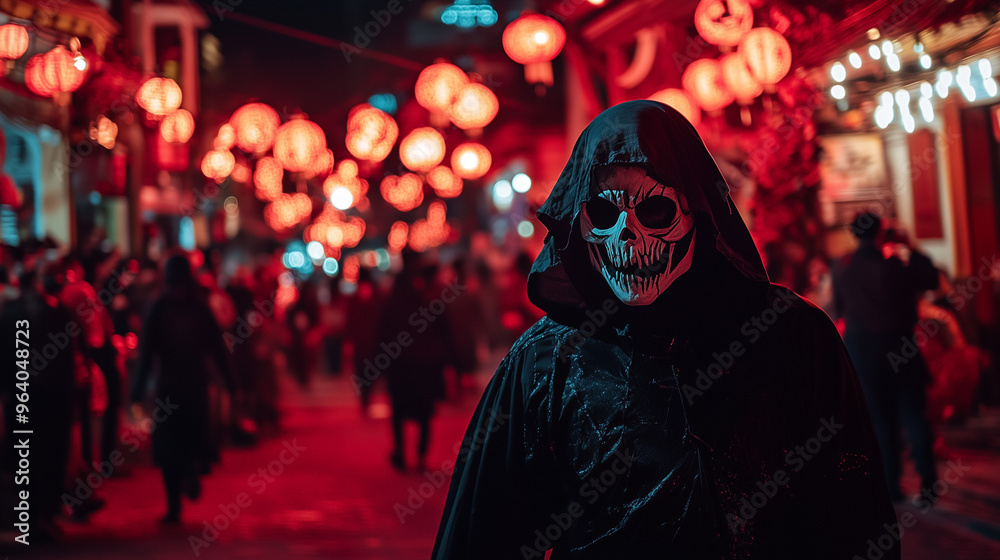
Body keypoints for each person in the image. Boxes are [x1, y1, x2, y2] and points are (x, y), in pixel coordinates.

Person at [432, 101, 897, 559]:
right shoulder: (547, 361)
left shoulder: (792, 336)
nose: (628, 236)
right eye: (604, 215)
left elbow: (853, 512)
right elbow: (483, 530)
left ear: (697, 214)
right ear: (580, 224)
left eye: (656, 212)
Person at [832, 213, 940, 505]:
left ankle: (891, 489)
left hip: (863, 354)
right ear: (880, 232)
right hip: (900, 348)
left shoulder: (843, 268)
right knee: (914, 417)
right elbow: (931, 279)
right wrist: (909, 245)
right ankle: (928, 486)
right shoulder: (895, 266)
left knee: (880, 422)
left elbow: (838, 309)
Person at [130, 255, 235, 524]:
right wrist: (230, 382)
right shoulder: (198, 308)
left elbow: (146, 353)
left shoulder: (160, 308)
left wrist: (138, 390)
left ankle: (175, 501)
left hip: (169, 388)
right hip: (192, 386)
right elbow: (218, 349)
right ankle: (189, 475)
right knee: (190, 440)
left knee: (169, 449)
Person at [378, 252, 450, 472]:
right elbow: (444, 333)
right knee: (424, 414)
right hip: (424, 366)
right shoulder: (428, 301)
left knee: (399, 413)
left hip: (401, 365)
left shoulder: (393, 303)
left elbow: (381, 334)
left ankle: (401, 453)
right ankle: (420, 457)